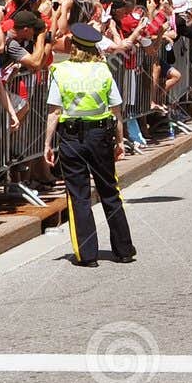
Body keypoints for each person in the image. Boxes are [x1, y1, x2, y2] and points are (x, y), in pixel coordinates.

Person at [43, 23, 135, 268]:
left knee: (78, 195)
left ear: (73, 46)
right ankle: (124, 249)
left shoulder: (59, 71)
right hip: (100, 135)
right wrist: (119, 140)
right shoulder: (103, 70)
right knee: (110, 191)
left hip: (72, 137)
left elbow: (54, 111)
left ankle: (87, 254)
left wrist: (47, 144)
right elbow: (116, 110)